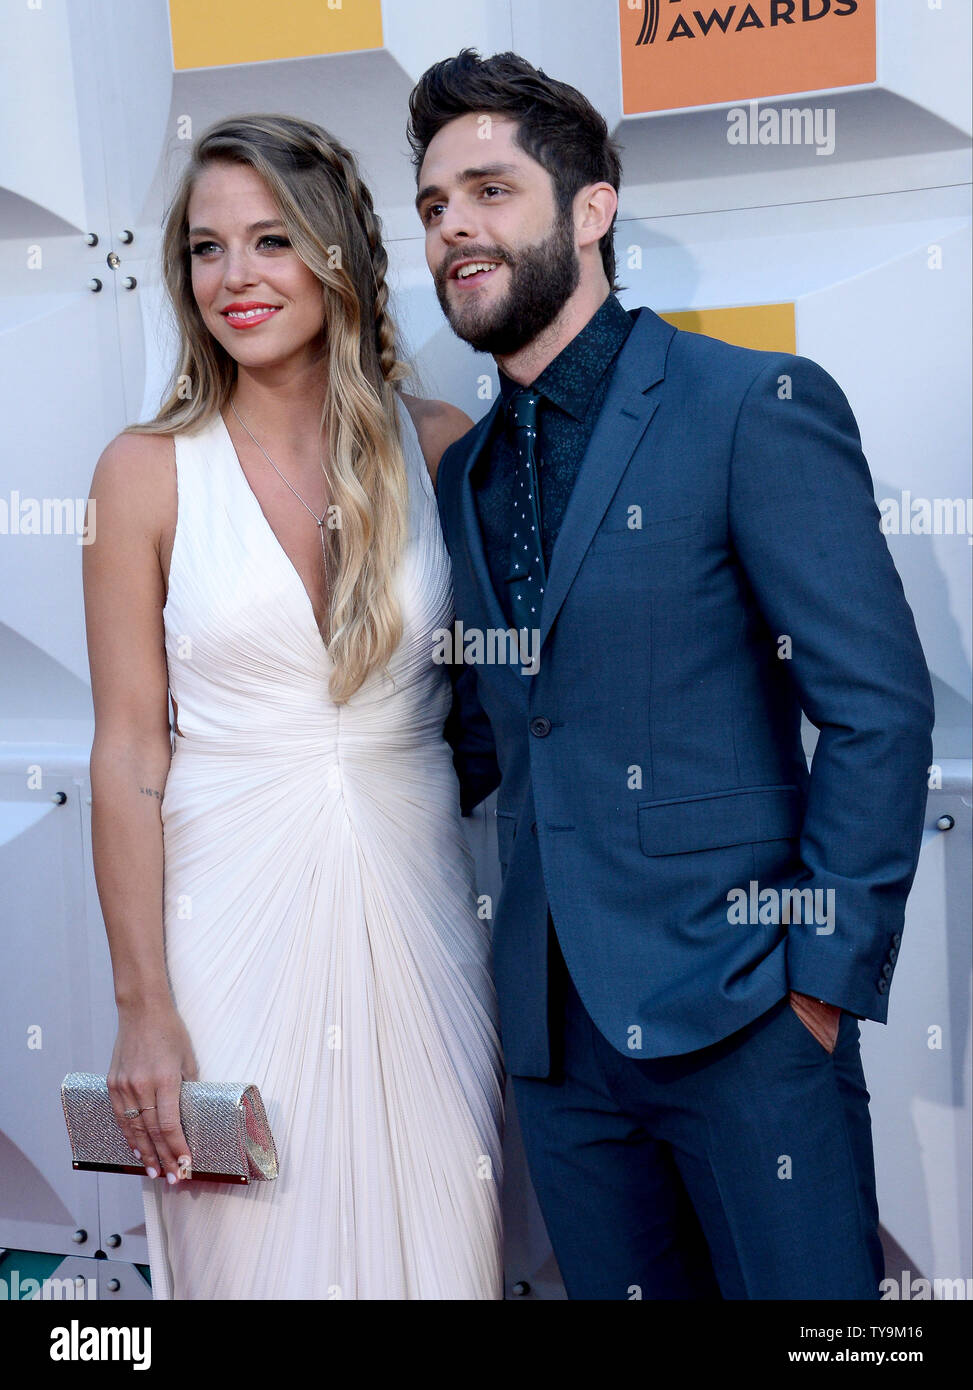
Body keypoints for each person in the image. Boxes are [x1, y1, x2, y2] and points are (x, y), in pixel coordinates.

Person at [408, 50, 935, 1299]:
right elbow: (491, 737)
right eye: (433, 206)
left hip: (747, 1014)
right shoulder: (466, 474)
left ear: (590, 208)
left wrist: (814, 983)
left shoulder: (749, 404)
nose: (454, 231)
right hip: (555, 1041)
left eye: (488, 190)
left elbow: (876, 705)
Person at [82, 113, 503, 1300]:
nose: (236, 278)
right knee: (256, 1259)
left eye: (270, 239)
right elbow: (125, 756)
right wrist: (143, 1008)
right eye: (205, 249)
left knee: (444, 1246)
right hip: (222, 937)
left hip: (424, 903)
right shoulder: (143, 471)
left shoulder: (443, 447)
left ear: (334, 255)